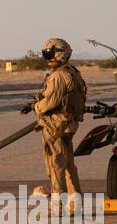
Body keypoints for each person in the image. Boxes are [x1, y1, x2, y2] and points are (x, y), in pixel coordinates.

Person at [31, 38, 87, 212]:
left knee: (56, 167)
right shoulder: (72, 72)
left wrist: (36, 107)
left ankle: (58, 204)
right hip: (67, 126)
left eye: (50, 54)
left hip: (56, 127)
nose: (48, 58)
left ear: (60, 54)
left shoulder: (57, 76)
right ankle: (75, 203)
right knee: (69, 165)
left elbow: (50, 102)